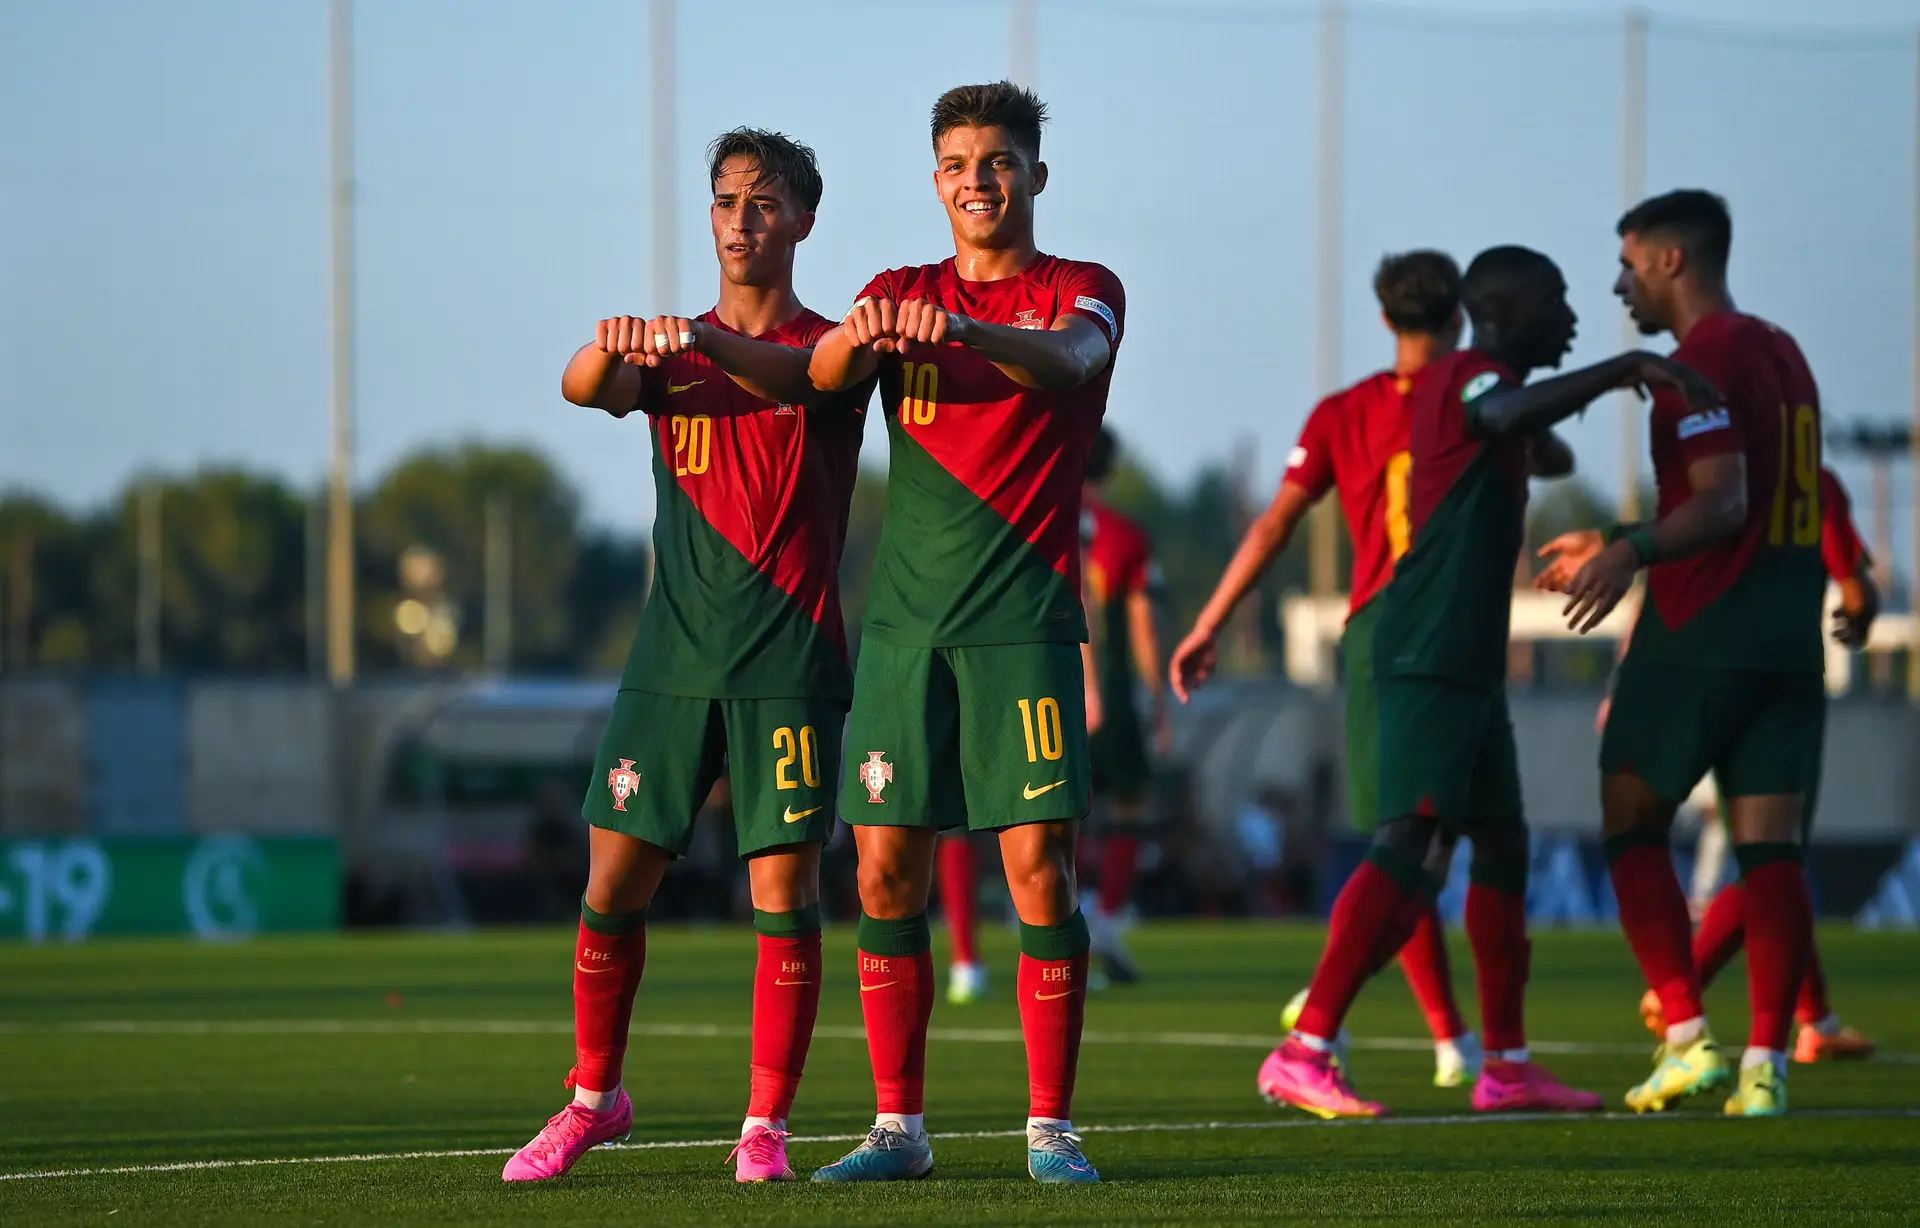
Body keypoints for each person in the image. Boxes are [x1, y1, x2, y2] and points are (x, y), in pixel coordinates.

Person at [1253, 244, 1715, 1120]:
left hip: (1466, 655)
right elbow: (1501, 413)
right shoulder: (1468, 372)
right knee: (1408, 839)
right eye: (1556, 298)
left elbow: (1530, 439)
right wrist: (1624, 367)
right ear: (1500, 310)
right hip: (1424, 646)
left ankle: (1504, 1063)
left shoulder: (1483, 381)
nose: (1573, 315)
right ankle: (1306, 1045)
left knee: (1503, 845)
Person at [503, 129, 871, 1185]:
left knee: (783, 894)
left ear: (804, 217)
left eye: (763, 202)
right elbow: (583, 387)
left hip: (790, 662)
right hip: (673, 659)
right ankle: (594, 1098)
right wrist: (616, 346)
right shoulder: (676, 352)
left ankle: (765, 1127)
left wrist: (700, 353)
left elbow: (802, 378)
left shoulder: (835, 348)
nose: (741, 220)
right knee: (611, 883)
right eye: (725, 202)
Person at [806, 81, 1122, 1185]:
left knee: (1040, 866)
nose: (976, 181)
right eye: (956, 164)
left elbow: (1074, 360)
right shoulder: (897, 287)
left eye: (997, 162)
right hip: (903, 628)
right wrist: (864, 332)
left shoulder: (1081, 288)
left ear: (1036, 173)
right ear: (934, 178)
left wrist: (968, 330)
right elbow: (824, 375)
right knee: (885, 871)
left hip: (1023, 624)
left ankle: (1051, 1128)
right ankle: (900, 1128)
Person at [1536, 189, 1828, 1117]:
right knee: (1769, 853)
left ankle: (1686, 1036)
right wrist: (1622, 529)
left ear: (1670, 259)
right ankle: (1767, 1069)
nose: (1619, 283)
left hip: (1703, 631)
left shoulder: (1694, 365)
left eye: (1628, 262)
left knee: (1629, 814)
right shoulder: (1783, 350)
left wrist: (1631, 549)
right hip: (1789, 636)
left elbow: (1723, 500)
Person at [1170, 250, 1486, 1088]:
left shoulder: (1345, 410)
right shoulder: (1475, 396)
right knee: (1415, 841)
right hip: (1430, 634)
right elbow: (1555, 459)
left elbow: (1274, 524)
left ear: (1385, 320)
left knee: (1421, 844)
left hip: (1381, 633)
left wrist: (1209, 620)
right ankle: (1343, 1012)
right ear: (1458, 317)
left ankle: (1444, 1035)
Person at [1626, 465, 1880, 1064]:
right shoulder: (1810, 479)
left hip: (1691, 677)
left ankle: (1816, 1017)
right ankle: (1680, 988)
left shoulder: (1712, 481)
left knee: (1771, 858)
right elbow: (1853, 584)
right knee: (1772, 856)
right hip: (1770, 684)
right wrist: (1860, 608)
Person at [1079, 426, 1170, 987]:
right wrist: (1158, 702)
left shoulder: (1040, 517)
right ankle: (1106, 921)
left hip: (1045, 682)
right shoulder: (1126, 536)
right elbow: (1144, 627)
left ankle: (1071, 923)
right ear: (1110, 473)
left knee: (1061, 812)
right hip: (1108, 686)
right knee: (1128, 806)